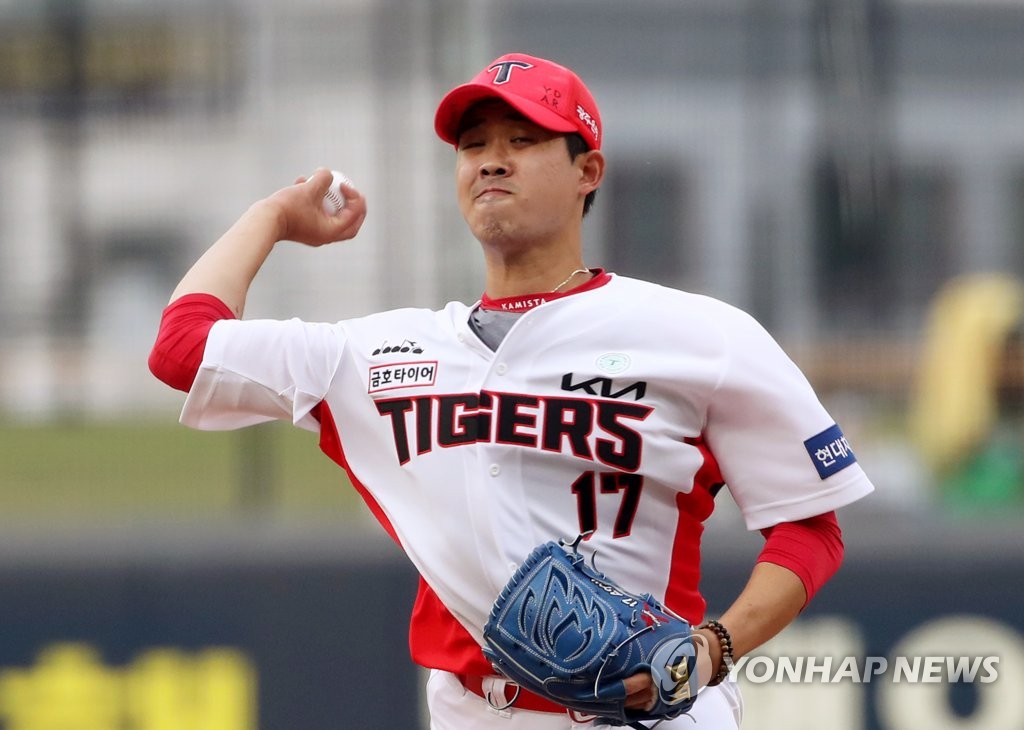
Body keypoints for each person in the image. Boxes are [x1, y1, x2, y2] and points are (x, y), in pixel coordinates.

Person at [149, 52, 875, 729]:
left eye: (524, 139)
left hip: (650, 714)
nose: (492, 159)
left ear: (588, 169)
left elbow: (812, 528)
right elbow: (181, 349)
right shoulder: (375, 354)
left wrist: (713, 647)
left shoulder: (699, 336)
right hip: (471, 712)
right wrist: (271, 219)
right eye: (473, 144)